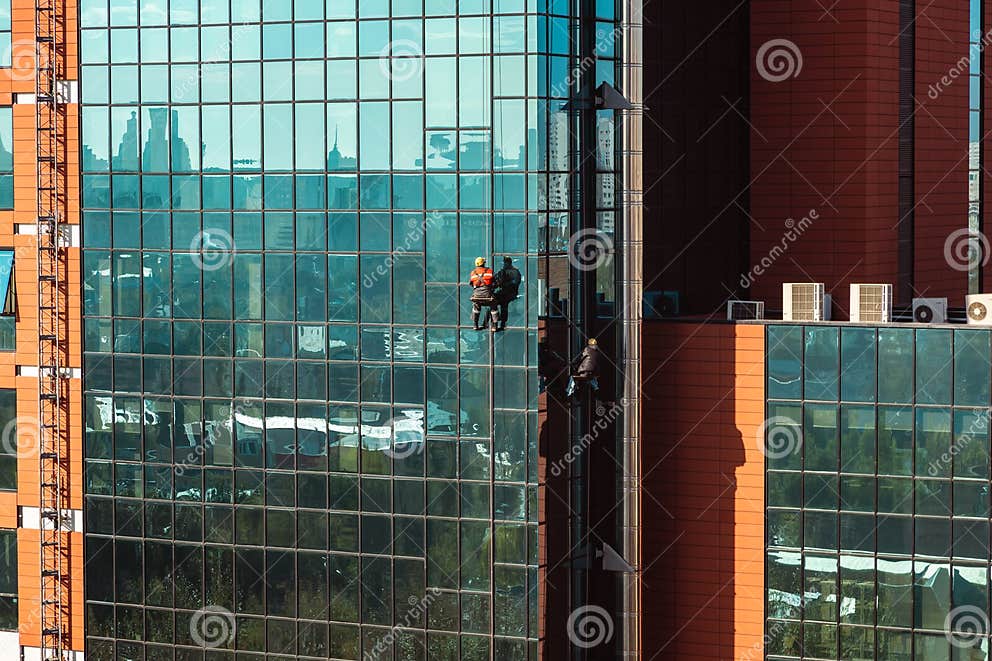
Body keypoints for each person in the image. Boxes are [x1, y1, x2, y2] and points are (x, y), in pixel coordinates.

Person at [469, 257, 499, 330]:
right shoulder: (489, 271)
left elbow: (471, 284)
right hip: (488, 296)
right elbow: (496, 283)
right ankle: (494, 326)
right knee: (494, 306)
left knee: (476, 306)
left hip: (477, 296)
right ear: (483, 263)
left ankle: (475, 325)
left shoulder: (473, 273)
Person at [494, 257, 522, 331]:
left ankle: (498, 322)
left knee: (500, 304)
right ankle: (498, 321)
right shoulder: (504, 271)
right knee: (498, 304)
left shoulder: (514, 272)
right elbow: (497, 281)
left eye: (504, 262)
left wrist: (503, 284)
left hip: (509, 293)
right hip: (507, 293)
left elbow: (515, 282)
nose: (503, 264)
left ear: (508, 263)